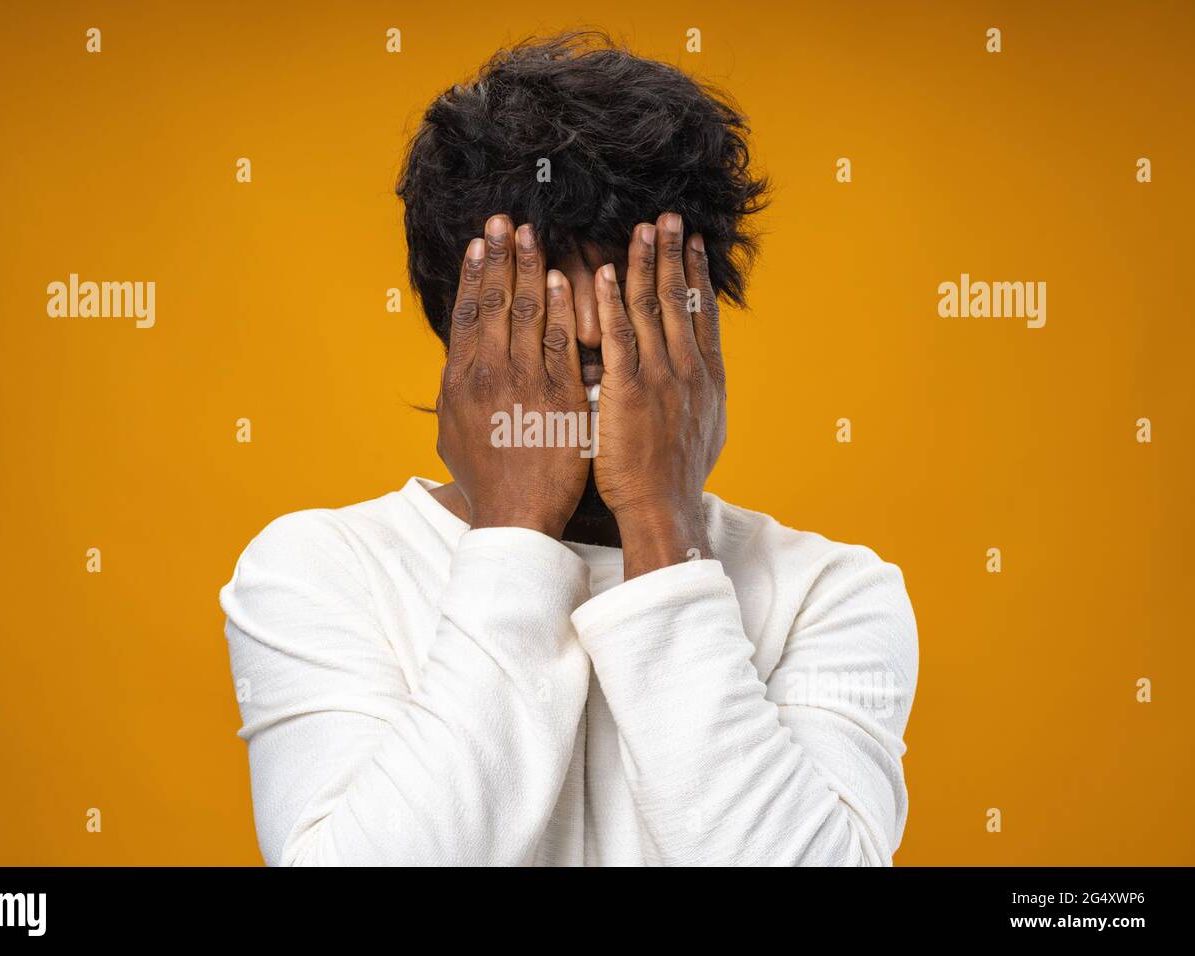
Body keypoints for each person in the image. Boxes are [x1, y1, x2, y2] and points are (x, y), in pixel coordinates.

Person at [220, 32, 918, 866]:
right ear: (458, 326)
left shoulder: (832, 595)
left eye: (638, 284)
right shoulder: (316, 570)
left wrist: (660, 519)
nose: (592, 329)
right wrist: (516, 528)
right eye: (541, 286)